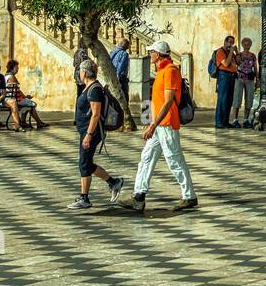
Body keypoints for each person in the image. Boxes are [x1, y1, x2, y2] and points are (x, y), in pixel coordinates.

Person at [131, 41, 197, 212]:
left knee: (174, 159)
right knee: (146, 157)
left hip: (166, 124)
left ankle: (189, 196)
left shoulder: (170, 71)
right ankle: (138, 196)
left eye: (151, 52)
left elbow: (168, 102)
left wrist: (153, 125)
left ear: (158, 54)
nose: (150, 54)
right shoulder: (161, 71)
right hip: (159, 125)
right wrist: (152, 122)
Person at [68, 59, 125, 210]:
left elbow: (96, 114)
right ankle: (113, 182)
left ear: (85, 72)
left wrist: (88, 134)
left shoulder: (94, 89)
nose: (79, 73)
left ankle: (85, 198)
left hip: (92, 132)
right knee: (86, 163)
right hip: (87, 131)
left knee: (84, 163)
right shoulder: (89, 88)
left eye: (80, 71)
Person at [4, 60, 48, 131]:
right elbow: (16, 90)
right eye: (16, 67)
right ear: (12, 68)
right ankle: (38, 123)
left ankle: (24, 122)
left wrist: (25, 97)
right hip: (13, 99)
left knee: (27, 103)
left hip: (12, 97)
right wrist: (24, 97)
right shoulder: (11, 77)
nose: (18, 69)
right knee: (32, 104)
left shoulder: (6, 76)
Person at [230, 37, 258, 129]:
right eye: (245, 44)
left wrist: (257, 79)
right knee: (237, 99)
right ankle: (235, 120)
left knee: (249, 99)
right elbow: (238, 62)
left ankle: (246, 120)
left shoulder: (253, 56)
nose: (246, 46)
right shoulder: (239, 54)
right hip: (240, 78)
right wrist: (236, 52)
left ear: (250, 45)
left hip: (250, 79)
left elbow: (255, 67)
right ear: (242, 45)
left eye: (248, 44)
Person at [213, 36, 239, 130]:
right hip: (224, 76)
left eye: (233, 42)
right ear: (225, 42)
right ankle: (219, 122)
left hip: (232, 76)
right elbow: (226, 64)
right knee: (222, 99)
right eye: (230, 42)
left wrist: (236, 52)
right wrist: (231, 52)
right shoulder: (220, 52)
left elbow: (239, 63)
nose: (231, 44)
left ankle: (225, 121)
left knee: (229, 100)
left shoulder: (231, 53)